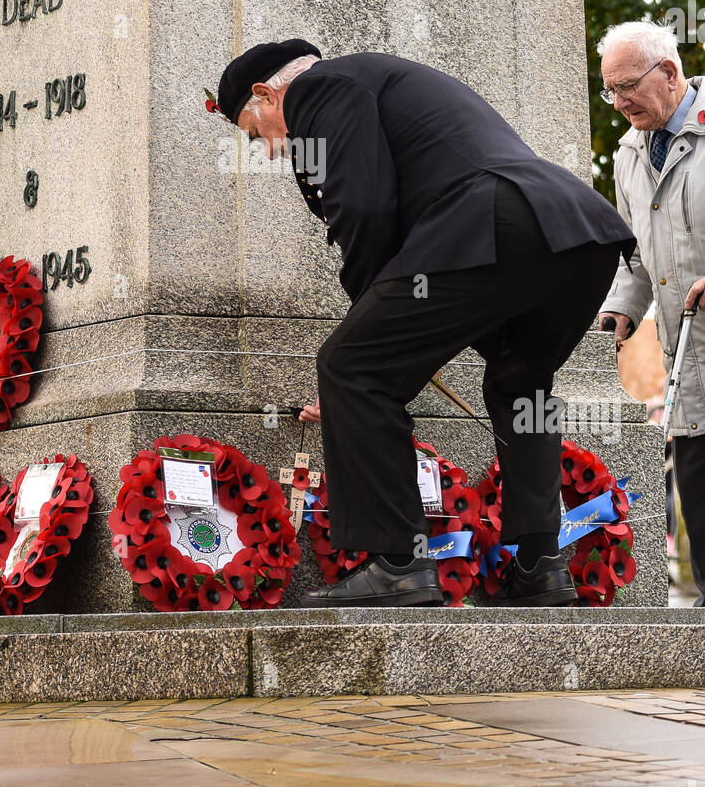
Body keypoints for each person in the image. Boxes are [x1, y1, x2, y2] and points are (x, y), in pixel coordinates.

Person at [211, 39, 636, 607]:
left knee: (350, 367)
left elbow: (364, 205)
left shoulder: (317, 88)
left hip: (494, 222)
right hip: (576, 235)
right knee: (520, 384)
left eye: (253, 130)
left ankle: (398, 565)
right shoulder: (380, 81)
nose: (263, 149)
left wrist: (367, 342)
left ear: (267, 94)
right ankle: (540, 565)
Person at [597, 20, 705, 606]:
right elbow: (634, 254)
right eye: (609, 90)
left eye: (628, 85)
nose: (618, 102)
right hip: (686, 364)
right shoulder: (630, 156)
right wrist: (620, 312)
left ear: (668, 73)